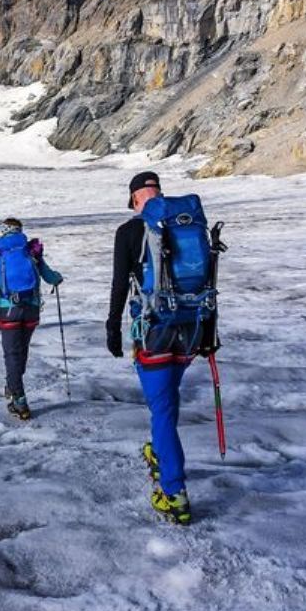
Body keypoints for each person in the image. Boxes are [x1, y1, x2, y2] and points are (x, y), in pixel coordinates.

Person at [106, 171, 216, 526]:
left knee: (163, 410)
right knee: (168, 399)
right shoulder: (188, 223)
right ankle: (160, 453)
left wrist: (112, 326)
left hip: (153, 329)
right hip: (191, 326)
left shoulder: (131, 231)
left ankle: (174, 494)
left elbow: (120, 284)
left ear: (136, 198)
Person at [0, 218, 63, 420]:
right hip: (31, 308)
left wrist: (2, 292)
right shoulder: (30, 248)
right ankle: (13, 384)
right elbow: (47, 274)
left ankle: (18, 398)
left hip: (8, 307)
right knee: (22, 349)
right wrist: (57, 278)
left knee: (11, 353)